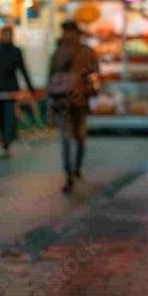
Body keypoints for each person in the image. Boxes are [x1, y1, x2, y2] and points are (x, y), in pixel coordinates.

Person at [47, 20, 100, 193]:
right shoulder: (85, 51)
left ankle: (71, 173)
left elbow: (52, 78)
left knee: (68, 138)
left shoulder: (59, 51)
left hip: (64, 100)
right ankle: (74, 170)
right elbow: (95, 73)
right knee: (77, 136)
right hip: (79, 100)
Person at [0, 26, 33, 159]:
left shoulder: (15, 51)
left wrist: (30, 88)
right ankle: (4, 141)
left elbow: (22, 69)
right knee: (1, 117)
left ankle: (6, 142)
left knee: (9, 116)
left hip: (11, 90)